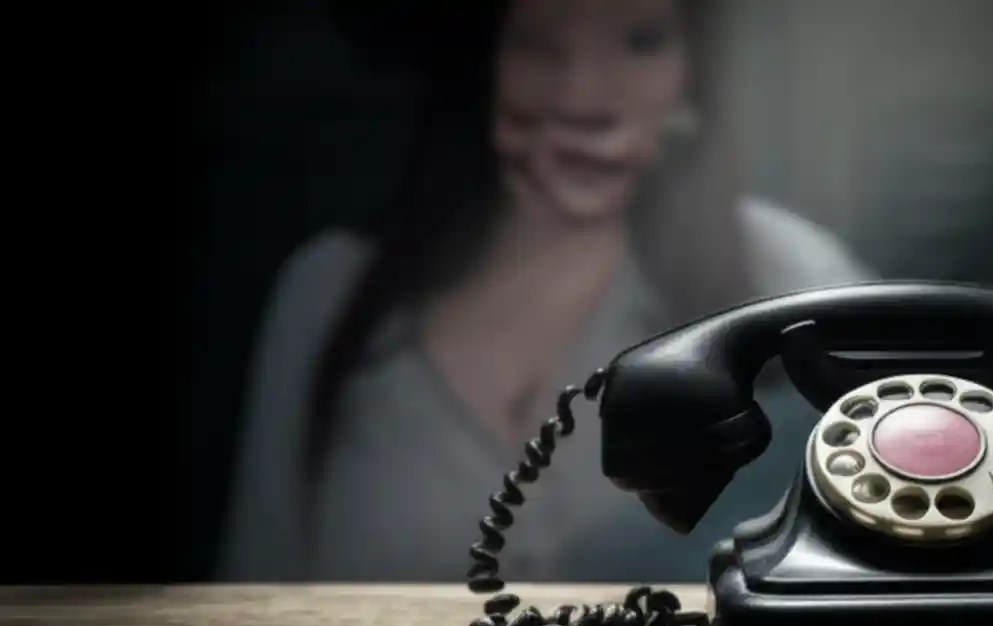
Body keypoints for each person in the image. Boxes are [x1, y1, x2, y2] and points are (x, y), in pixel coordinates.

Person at [217, 0, 877, 581]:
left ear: (693, 74)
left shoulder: (793, 275)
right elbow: (252, 595)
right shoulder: (329, 291)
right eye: (536, 43)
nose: (581, 96)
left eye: (641, 40)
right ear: (483, 61)